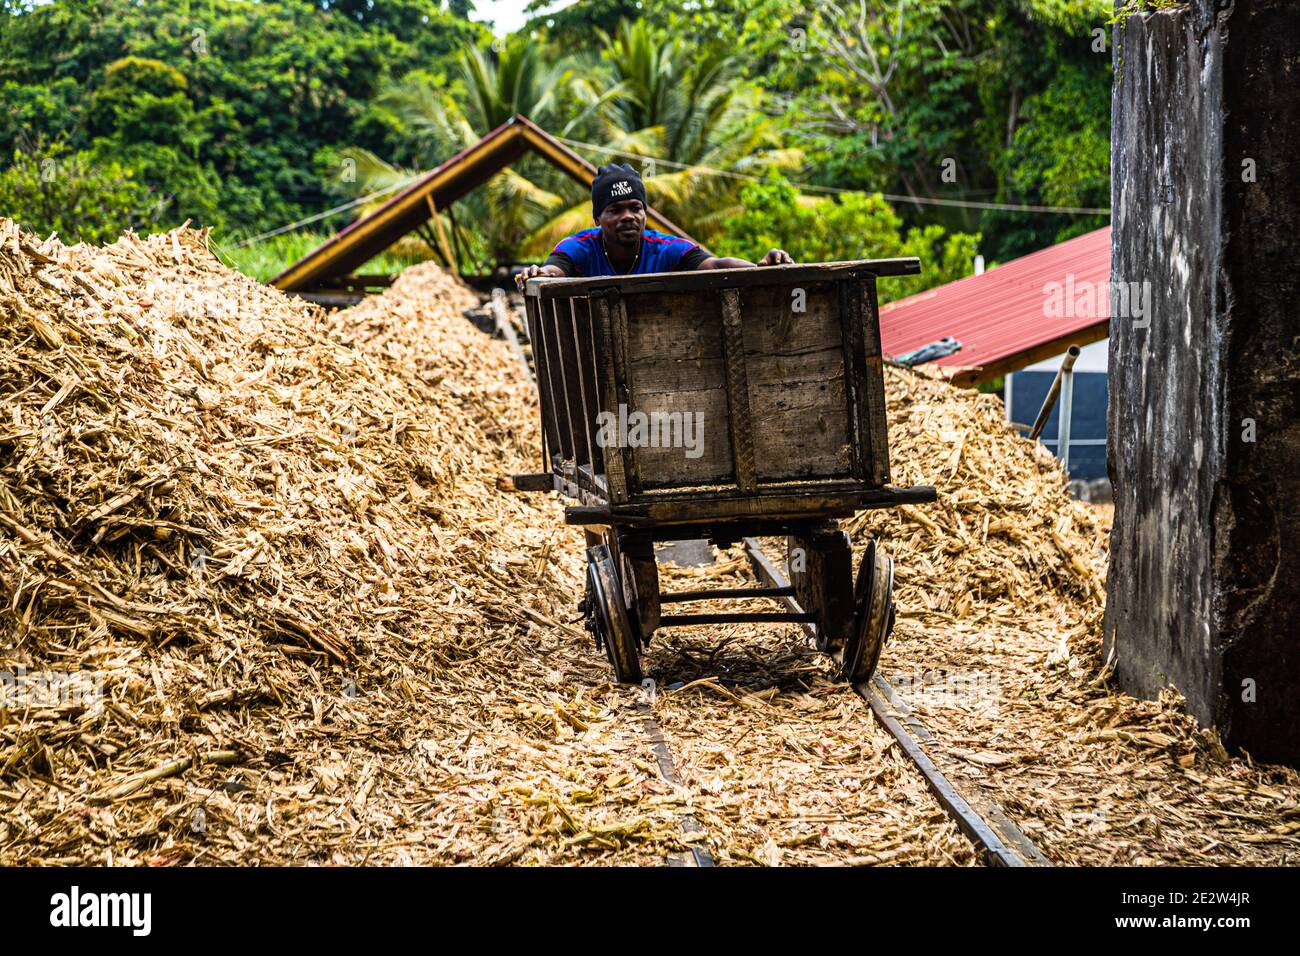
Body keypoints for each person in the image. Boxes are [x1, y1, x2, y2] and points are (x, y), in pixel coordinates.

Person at [515, 163, 793, 290]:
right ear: (597, 218)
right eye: (615, 210)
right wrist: (538, 273)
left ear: (645, 213)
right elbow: (554, 271)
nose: (628, 216)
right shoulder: (580, 247)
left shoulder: (666, 249)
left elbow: (716, 266)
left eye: (635, 207)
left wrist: (761, 270)